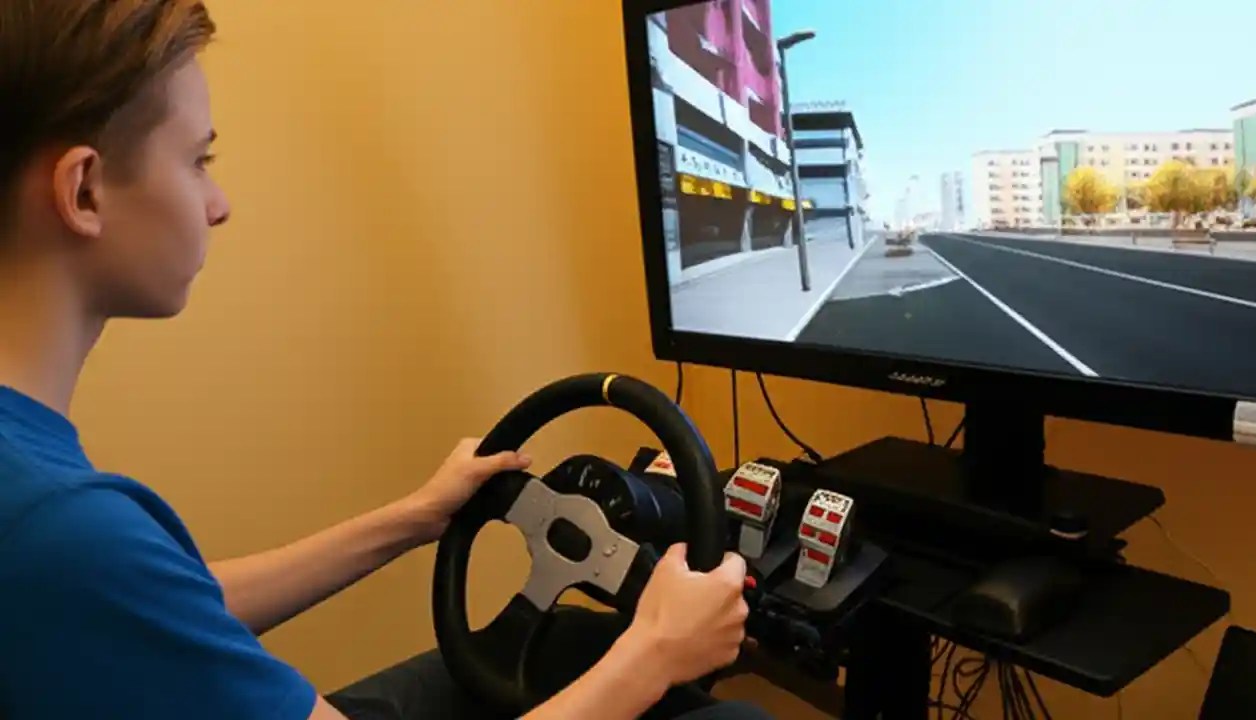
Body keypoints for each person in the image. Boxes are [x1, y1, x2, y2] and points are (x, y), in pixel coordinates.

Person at [0, 2, 769, 719]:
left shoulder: (43, 501)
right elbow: (116, 584)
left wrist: (412, 519)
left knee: (557, 648)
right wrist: (659, 649)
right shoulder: (62, 532)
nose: (218, 203)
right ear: (86, 191)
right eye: (198, 160)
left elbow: (165, 607)